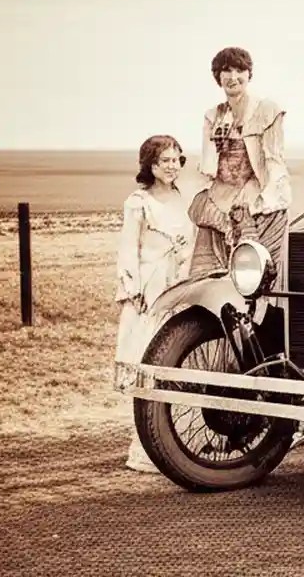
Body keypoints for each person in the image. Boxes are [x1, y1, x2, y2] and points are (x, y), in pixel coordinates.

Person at [114, 134, 195, 473]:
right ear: (150, 165)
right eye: (164, 161)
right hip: (150, 290)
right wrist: (134, 290)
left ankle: (179, 445)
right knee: (148, 361)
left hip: (181, 287)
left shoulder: (184, 198)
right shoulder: (138, 202)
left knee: (181, 362)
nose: (171, 166)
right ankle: (145, 448)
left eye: (176, 159)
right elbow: (128, 248)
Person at [187, 47, 291, 276]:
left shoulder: (267, 109)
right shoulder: (213, 115)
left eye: (239, 70)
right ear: (218, 77)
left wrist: (258, 197)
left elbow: (274, 161)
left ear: (248, 74)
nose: (233, 77)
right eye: (226, 71)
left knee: (259, 274)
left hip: (257, 200)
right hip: (219, 200)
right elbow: (208, 166)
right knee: (208, 278)